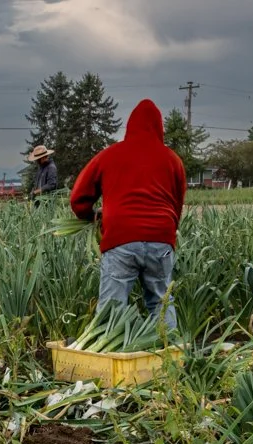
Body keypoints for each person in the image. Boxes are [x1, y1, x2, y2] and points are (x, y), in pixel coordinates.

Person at [69, 99, 186, 329]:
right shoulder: (172, 160)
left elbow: (78, 198)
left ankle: (114, 355)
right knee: (161, 301)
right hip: (161, 239)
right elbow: (177, 205)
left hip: (120, 239)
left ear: (130, 126)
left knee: (113, 306)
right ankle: (168, 356)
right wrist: (166, 230)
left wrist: (89, 215)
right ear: (159, 128)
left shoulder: (109, 155)